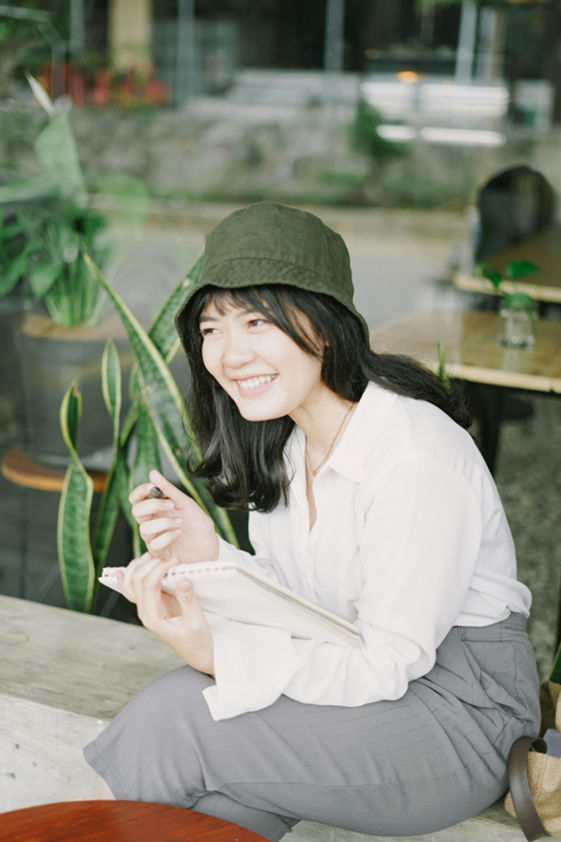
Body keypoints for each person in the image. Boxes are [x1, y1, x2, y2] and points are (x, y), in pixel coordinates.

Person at [84, 201, 540, 840]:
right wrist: (209, 552)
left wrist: (217, 652)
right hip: (380, 686)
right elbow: (304, 602)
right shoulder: (289, 443)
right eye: (212, 328)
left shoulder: (411, 454)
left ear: (323, 327)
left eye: (255, 321)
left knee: (178, 715)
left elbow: (385, 660)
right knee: (210, 814)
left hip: (459, 715)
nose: (229, 353)